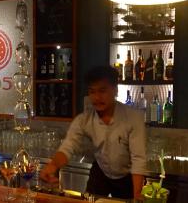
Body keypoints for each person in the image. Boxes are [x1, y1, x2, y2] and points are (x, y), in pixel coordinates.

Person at [40, 65, 147, 200]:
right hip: (100, 172)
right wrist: (53, 165)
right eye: (92, 91)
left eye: (102, 90)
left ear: (115, 90)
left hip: (127, 176)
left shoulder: (133, 118)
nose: (96, 97)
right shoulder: (84, 120)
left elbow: (138, 159)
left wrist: (137, 194)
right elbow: (68, 146)